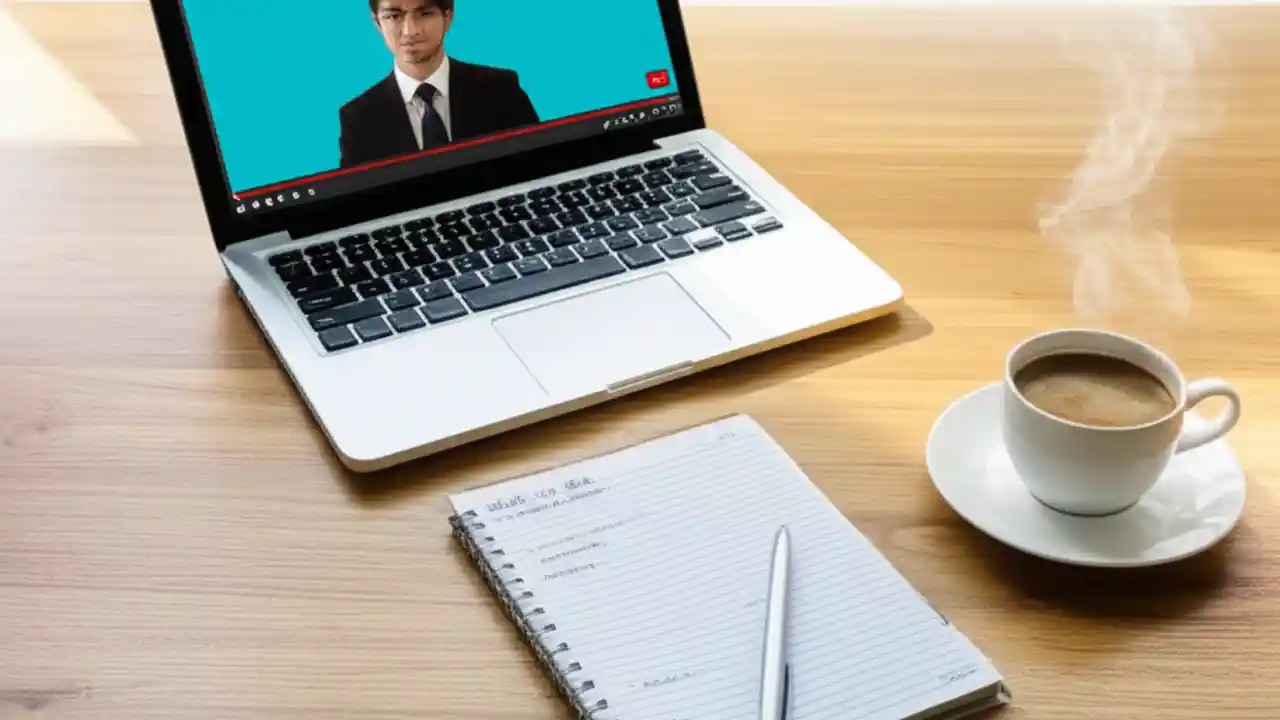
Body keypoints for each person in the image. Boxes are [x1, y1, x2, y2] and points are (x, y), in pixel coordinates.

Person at [338, 0, 540, 168]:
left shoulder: (500, 89)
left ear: (448, 17)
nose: (410, 31)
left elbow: (541, 163)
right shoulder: (358, 118)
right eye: (394, 16)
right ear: (377, 23)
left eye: (424, 13)